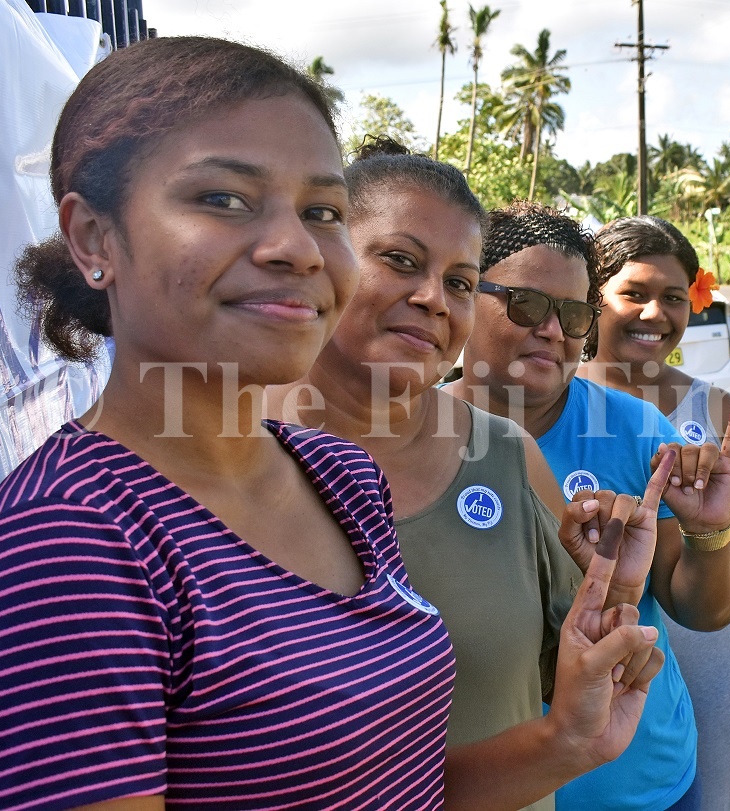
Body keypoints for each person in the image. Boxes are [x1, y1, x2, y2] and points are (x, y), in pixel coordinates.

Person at [0, 37, 666, 811]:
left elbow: (393, 785)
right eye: (224, 198)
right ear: (94, 237)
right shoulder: (65, 546)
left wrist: (567, 738)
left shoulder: (337, 475)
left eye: (321, 212)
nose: (297, 248)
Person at [267, 138, 673, 811]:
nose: (433, 298)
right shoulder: (220, 458)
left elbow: (558, 677)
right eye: (400, 260)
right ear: (323, 256)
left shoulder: (505, 455)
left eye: (458, 281)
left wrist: (616, 596)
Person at [446, 202, 730, 811]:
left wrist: (710, 531)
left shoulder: (637, 428)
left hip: (641, 782)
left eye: (574, 313)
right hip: (483, 786)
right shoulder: (407, 437)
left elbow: (703, 611)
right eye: (525, 303)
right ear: (464, 294)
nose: (553, 330)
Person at [580, 214, 730, 811]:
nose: (654, 313)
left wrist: (728, 521)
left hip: (711, 659)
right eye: (633, 293)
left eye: (672, 297)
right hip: (601, 665)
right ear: (592, 298)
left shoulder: (715, 409)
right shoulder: (549, 404)